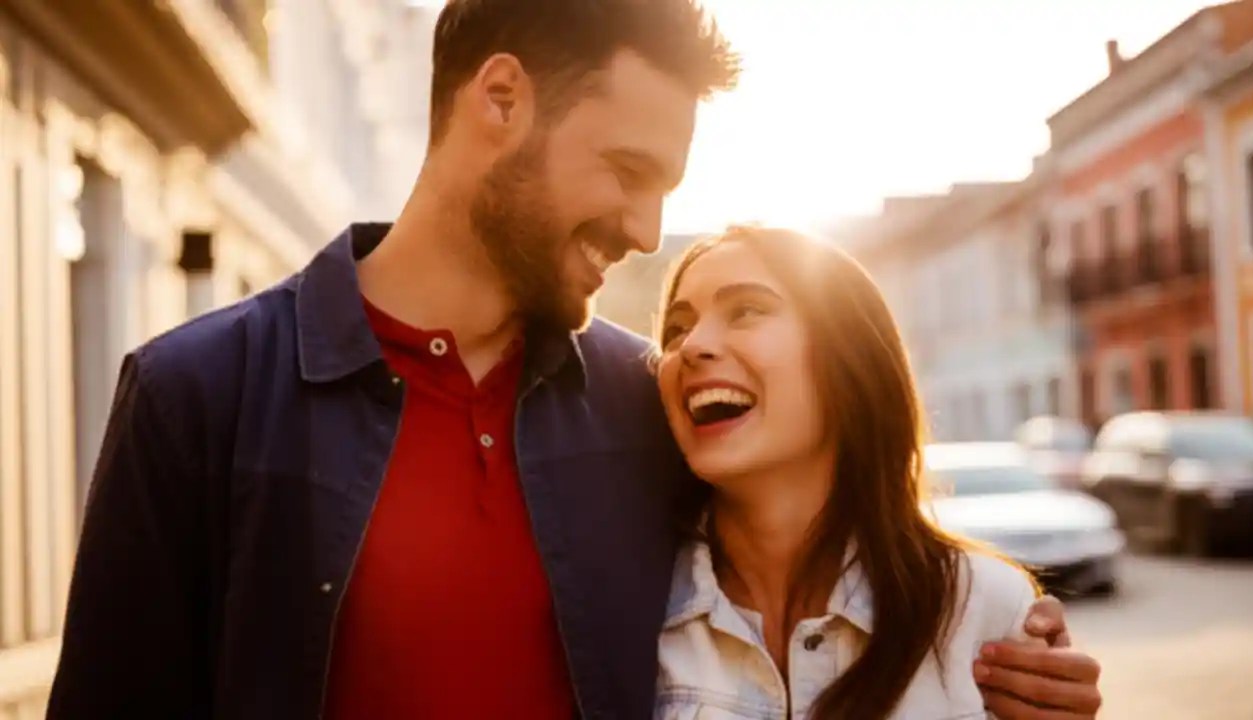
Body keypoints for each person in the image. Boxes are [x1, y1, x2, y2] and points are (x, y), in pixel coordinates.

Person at [47, 1, 1100, 718]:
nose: (647, 231)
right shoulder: (199, 397)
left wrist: (997, 646)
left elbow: (818, 550)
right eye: (628, 169)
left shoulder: (647, 406)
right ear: (498, 101)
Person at [652, 227, 1103, 719]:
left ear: (847, 357)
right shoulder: (624, 603)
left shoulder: (983, 607)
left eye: (746, 310)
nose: (693, 345)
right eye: (677, 328)